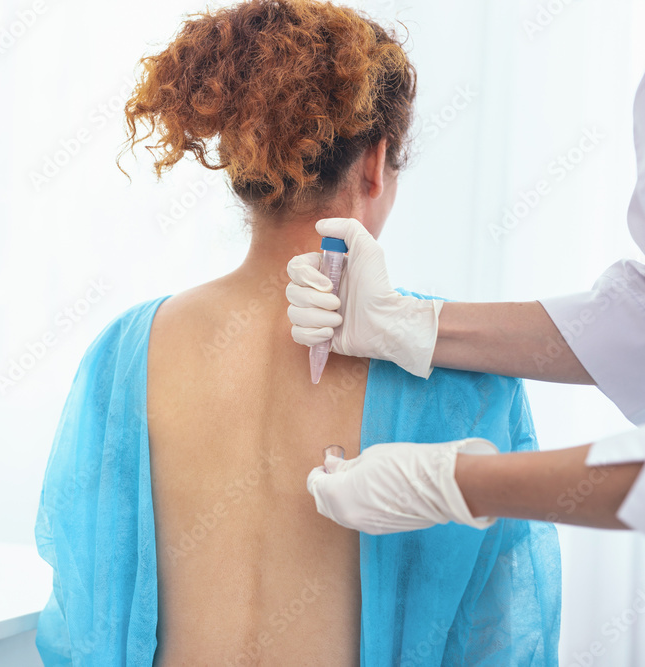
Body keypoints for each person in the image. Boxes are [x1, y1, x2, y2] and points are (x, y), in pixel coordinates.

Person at [34, 2, 560, 665]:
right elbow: (505, 638)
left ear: (242, 163)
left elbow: (84, 610)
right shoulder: (458, 370)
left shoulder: (125, 352)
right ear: (375, 164)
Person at [291, 73, 645, 536]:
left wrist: (457, 483)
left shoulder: (162, 338)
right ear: (376, 163)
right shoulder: (477, 393)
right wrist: (406, 324)